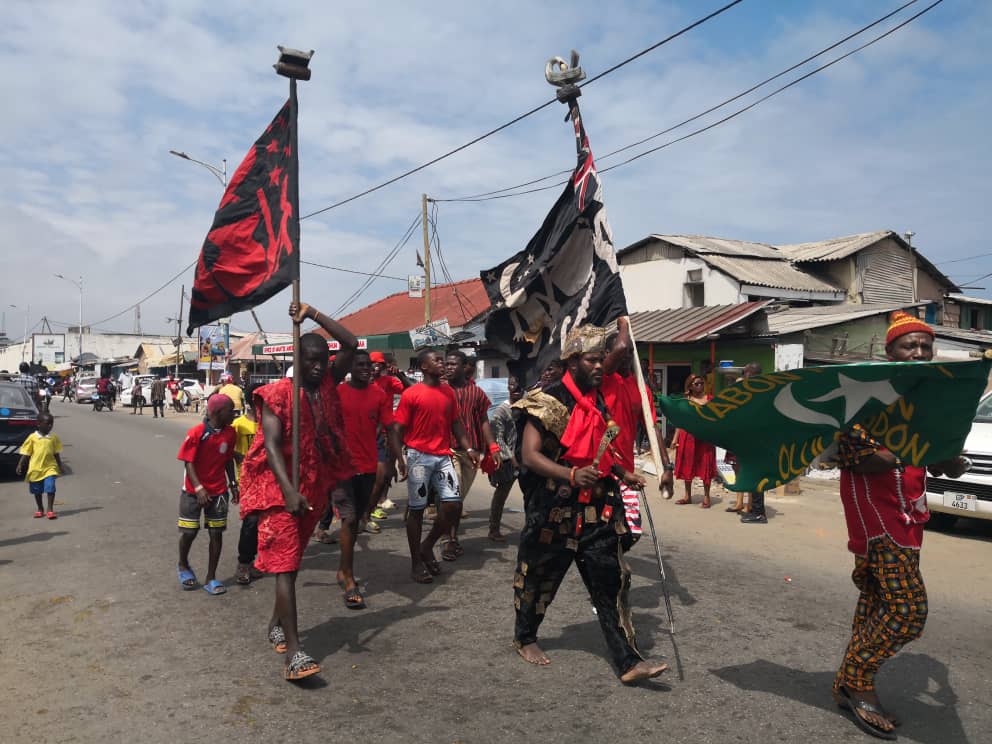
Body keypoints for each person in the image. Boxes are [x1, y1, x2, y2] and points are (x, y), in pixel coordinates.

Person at [830, 311, 968, 739]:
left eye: (926, 346)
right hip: (878, 519)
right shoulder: (866, 399)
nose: (920, 352)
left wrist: (947, 459)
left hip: (909, 514)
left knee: (875, 603)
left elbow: (927, 456)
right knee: (908, 612)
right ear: (890, 352)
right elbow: (858, 456)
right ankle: (857, 675)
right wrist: (914, 450)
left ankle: (845, 685)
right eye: (910, 345)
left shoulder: (922, 400)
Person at [510, 324, 668, 682]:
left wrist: (622, 472)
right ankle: (525, 637)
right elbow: (530, 455)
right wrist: (569, 474)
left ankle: (628, 662)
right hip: (552, 512)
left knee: (610, 583)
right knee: (537, 580)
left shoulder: (597, 400)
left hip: (598, 512)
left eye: (601, 360)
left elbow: (603, 448)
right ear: (572, 361)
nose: (599, 366)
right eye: (593, 360)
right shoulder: (545, 401)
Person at [239, 302, 355, 681]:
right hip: (280, 493)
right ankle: (294, 651)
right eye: (310, 359)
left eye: (322, 359)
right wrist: (288, 491)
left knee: (290, 563)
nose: (318, 366)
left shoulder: (327, 387)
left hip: (312, 491)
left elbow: (351, 343)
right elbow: (271, 446)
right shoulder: (276, 394)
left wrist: (313, 313)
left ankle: (275, 624)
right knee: (285, 570)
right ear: (296, 358)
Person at [394, 348, 477, 584]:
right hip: (418, 457)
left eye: (443, 360)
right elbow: (397, 429)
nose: (443, 364)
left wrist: (469, 448)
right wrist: (400, 459)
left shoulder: (448, 392)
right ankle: (416, 563)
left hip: (442, 456)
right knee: (417, 509)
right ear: (424, 367)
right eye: (437, 360)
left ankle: (427, 546)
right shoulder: (412, 394)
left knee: (453, 505)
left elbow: (456, 423)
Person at [332, 349, 403, 608]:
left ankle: (342, 568)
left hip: (368, 467)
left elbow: (390, 427)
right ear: (351, 367)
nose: (366, 369)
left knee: (357, 521)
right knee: (349, 519)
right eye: (360, 364)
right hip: (342, 468)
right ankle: (349, 579)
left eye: (369, 365)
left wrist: (399, 460)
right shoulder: (337, 393)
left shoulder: (379, 395)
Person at [601, 318, 674, 541]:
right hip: (600, 468)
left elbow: (652, 428)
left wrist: (666, 466)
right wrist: (624, 325)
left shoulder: (641, 389)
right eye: (622, 351)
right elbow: (621, 346)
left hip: (626, 471)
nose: (626, 355)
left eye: (630, 352)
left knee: (630, 531)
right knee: (602, 528)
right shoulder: (601, 378)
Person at [176, 394, 237, 596]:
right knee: (189, 532)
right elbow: (188, 461)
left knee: (216, 533)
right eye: (231, 410)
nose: (234, 413)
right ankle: (183, 564)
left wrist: (233, 483)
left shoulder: (230, 433)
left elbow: (228, 459)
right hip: (193, 492)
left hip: (219, 491)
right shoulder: (197, 432)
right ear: (218, 412)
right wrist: (199, 487)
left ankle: (211, 577)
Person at [441, 350, 499, 560]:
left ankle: (452, 537)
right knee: (452, 496)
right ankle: (447, 540)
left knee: (457, 501)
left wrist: (493, 446)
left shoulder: (476, 393)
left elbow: (484, 420)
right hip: (447, 451)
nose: (448, 367)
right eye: (446, 364)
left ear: (464, 367)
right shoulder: (440, 390)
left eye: (453, 364)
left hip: (472, 452)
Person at [363, 351, 411, 528]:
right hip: (361, 436)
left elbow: (410, 390)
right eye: (372, 364)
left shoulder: (388, 381)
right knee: (363, 478)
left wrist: (399, 374)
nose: (376, 368)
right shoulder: (359, 383)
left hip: (383, 434)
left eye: (379, 365)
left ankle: (368, 512)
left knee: (382, 476)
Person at [232, 384, 263, 585]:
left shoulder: (269, 423)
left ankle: (254, 561)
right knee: (251, 522)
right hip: (247, 480)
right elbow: (227, 451)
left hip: (270, 480)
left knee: (264, 523)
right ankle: (244, 563)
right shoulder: (238, 425)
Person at [487, 375, 523, 542]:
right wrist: (512, 458)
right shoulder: (502, 411)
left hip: (527, 457)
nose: (515, 389)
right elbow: (498, 438)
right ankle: (493, 529)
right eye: (512, 385)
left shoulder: (528, 407)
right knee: (501, 495)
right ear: (508, 387)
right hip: (509, 461)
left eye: (518, 385)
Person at [673, 374, 717, 508]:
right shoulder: (685, 400)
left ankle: (706, 497)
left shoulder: (710, 399)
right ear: (690, 386)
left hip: (704, 437)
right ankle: (687, 496)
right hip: (688, 436)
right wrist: (675, 439)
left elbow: (716, 418)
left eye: (701, 383)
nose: (700, 386)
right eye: (696, 384)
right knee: (688, 465)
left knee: (706, 465)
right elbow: (680, 421)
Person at [736, 362, 768, 524]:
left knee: (756, 476)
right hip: (752, 439)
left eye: (746, 373)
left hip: (758, 440)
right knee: (753, 475)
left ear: (752, 374)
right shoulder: (758, 391)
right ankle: (756, 509)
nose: (744, 377)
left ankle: (759, 513)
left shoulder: (760, 392)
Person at [16, 411, 63, 519]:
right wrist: (20, 464)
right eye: (47, 423)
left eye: (52, 423)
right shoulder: (32, 437)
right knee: (37, 491)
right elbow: (26, 453)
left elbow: (56, 453)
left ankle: (50, 510)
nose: (50, 426)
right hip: (35, 469)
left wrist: (60, 465)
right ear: (38, 424)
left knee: (51, 487)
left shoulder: (53, 438)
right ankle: (40, 508)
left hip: (49, 467)